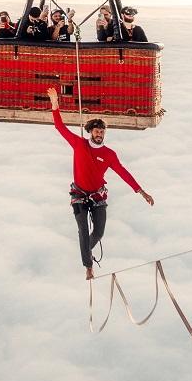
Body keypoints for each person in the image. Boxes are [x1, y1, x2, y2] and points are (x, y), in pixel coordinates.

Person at [45, 87, 154, 280]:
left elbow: (123, 172)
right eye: (96, 131)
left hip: (97, 195)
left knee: (99, 232)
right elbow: (60, 127)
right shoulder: (79, 144)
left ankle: (85, 251)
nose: (99, 134)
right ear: (90, 132)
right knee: (83, 230)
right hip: (79, 194)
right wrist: (55, 104)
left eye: (102, 132)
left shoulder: (109, 154)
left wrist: (141, 191)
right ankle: (88, 266)